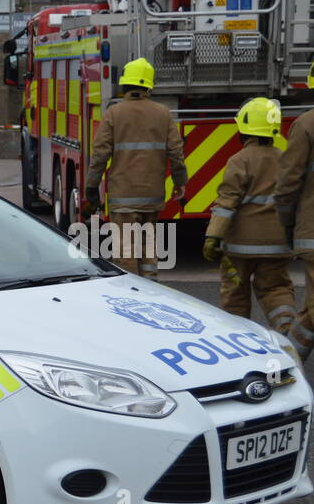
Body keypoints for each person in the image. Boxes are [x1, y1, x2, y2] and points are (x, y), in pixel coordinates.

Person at [84, 57, 186, 279]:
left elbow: (99, 154)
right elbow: (176, 153)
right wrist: (180, 182)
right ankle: (151, 286)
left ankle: (132, 293)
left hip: (123, 198)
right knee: (148, 247)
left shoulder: (114, 113)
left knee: (126, 251)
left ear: (125, 84)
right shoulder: (163, 113)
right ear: (148, 85)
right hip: (152, 196)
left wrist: (91, 187)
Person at [201, 97, 295, 334]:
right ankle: (287, 328)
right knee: (275, 289)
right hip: (278, 243)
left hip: (240, 245)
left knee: (235, 293)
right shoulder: (285, 159)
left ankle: (240, 340)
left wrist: (213, 236)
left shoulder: (239, 160)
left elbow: (226, 202)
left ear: (244, 127)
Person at [275, 52, 314, 384]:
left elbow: (286, 186)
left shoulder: (307, 124)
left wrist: (287, 225)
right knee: (313, 304)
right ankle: (286, 368)